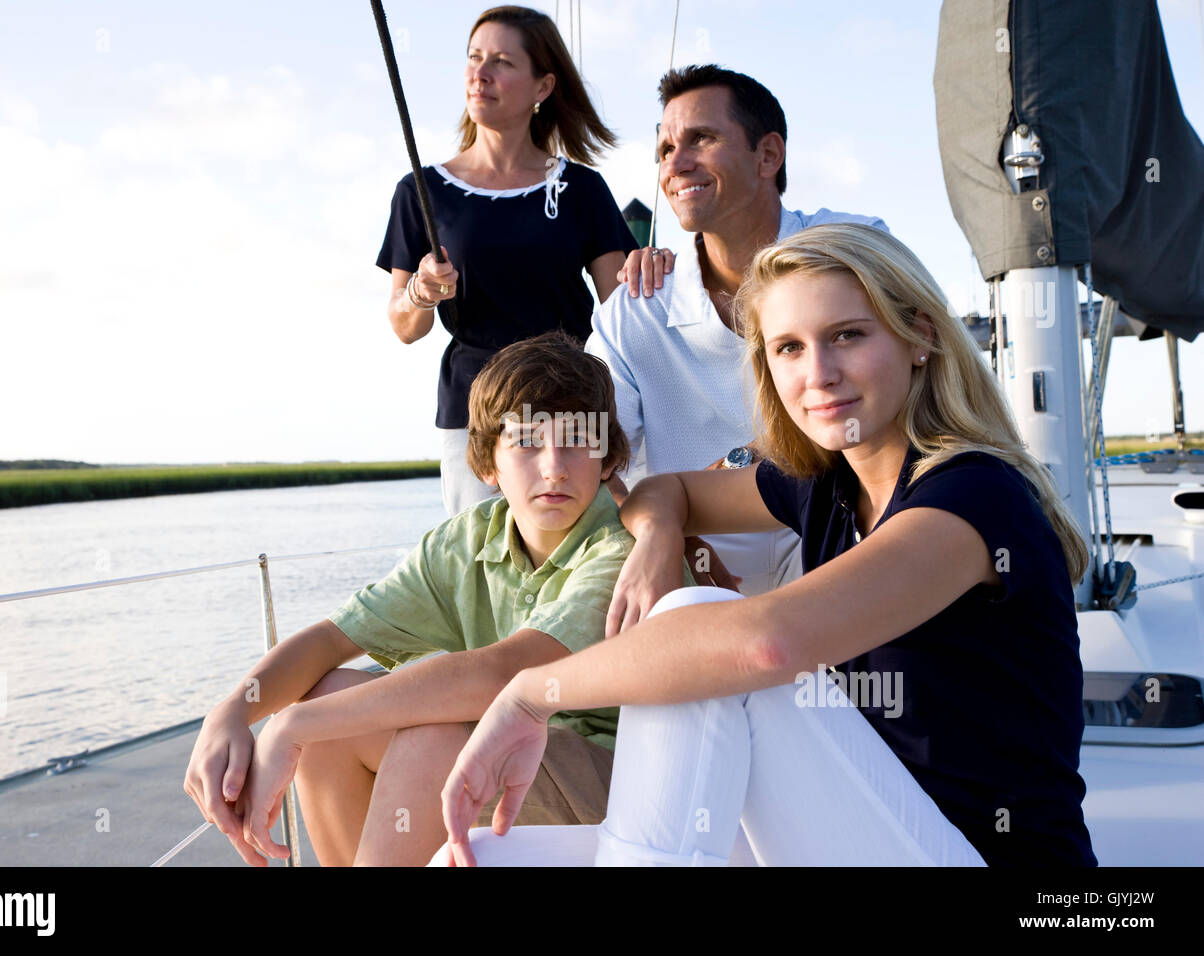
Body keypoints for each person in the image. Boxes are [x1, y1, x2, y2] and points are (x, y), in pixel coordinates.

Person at [437, 223, 1098, 867]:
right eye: (789, 348)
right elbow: (664, 491)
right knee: (473, 859)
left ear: (919, 336)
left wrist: (532, 692)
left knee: (704, 633)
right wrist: (662, 536)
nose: (820, 374)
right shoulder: (824, 484)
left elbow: (767, 644)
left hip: (979, 852)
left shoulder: (972, 498)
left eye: (847, 335)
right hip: (841, 824)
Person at [184, 331, 638, 866]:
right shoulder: (468, 540)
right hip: (512, 760)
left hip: (614, 786)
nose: (554, 465)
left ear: (606, 457)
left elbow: (505, 675)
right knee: (329, 700)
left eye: (576, 439)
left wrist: (291, 725)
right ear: (488, 464)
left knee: (431, 735)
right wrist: (232, 713)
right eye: (527, 442)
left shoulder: (621, 549)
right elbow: (333, 639)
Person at [586, 65, 887, 598]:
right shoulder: (633, 310)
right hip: (696, 553)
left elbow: (914, 389)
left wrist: (739, 460)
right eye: (664, 149)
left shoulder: (856, 250)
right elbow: (589, 454)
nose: (675, 164)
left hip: (848, 525)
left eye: (701, 138)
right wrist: (667, 534)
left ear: (768, 155)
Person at [380, 5, 638, 517]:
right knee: (488, 569)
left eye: (501, 61)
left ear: (542, 87)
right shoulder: (422, 192)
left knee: (583, 567)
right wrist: (420, 293)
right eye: (474, 58)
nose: (480, 74)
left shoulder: (581, 189)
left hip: (572, 407)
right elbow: (405, 327)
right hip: (476, 413)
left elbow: (622, 313)